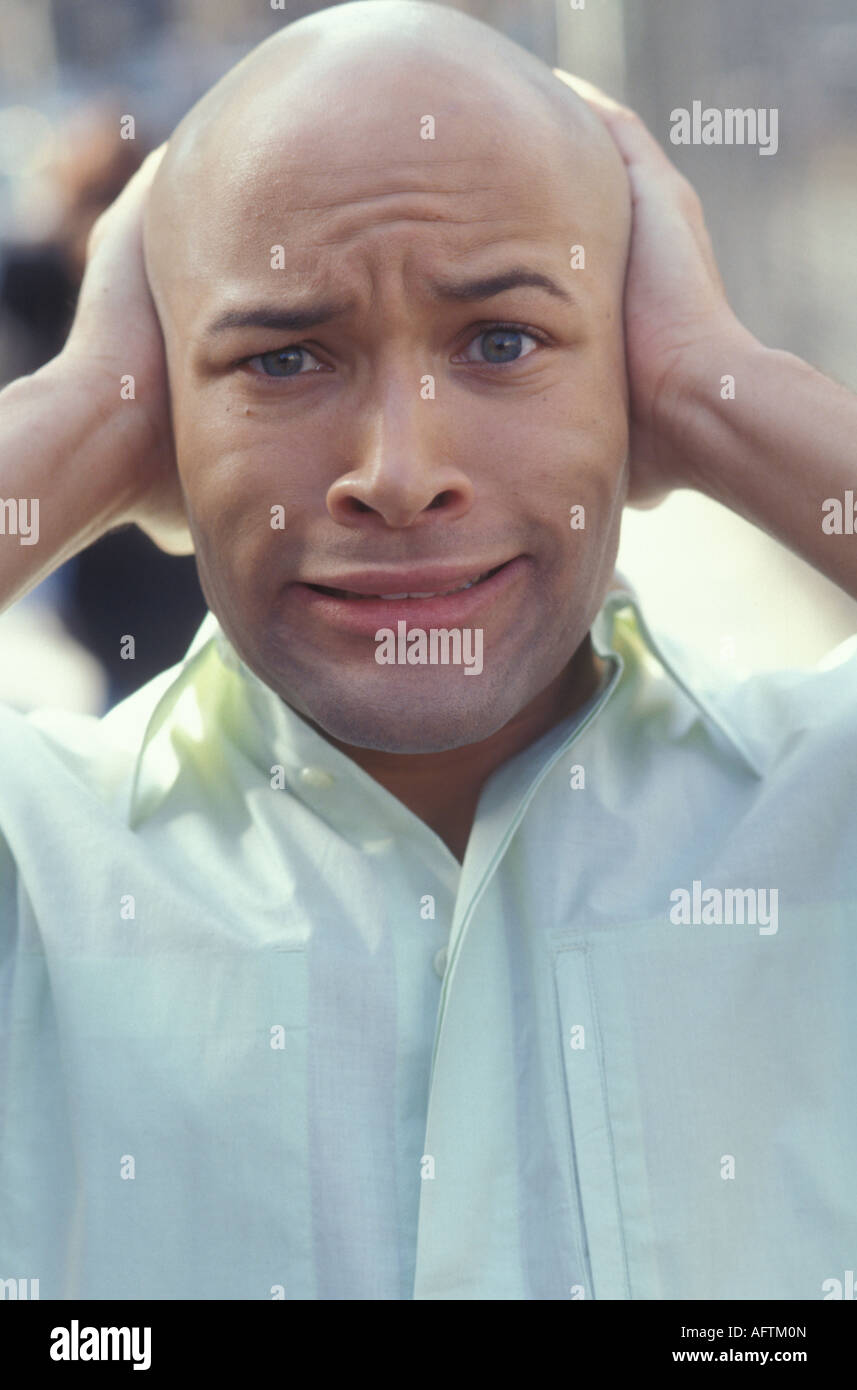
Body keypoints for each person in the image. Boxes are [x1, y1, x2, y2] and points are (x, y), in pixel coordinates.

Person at [0, 0, 854, 1301]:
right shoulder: (39, 875)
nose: (399, 474)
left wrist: (711, 381)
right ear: (166, 413)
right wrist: (83, 409)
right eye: (282, 355)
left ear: (621, 373)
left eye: (504, 341)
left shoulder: (820, 803)